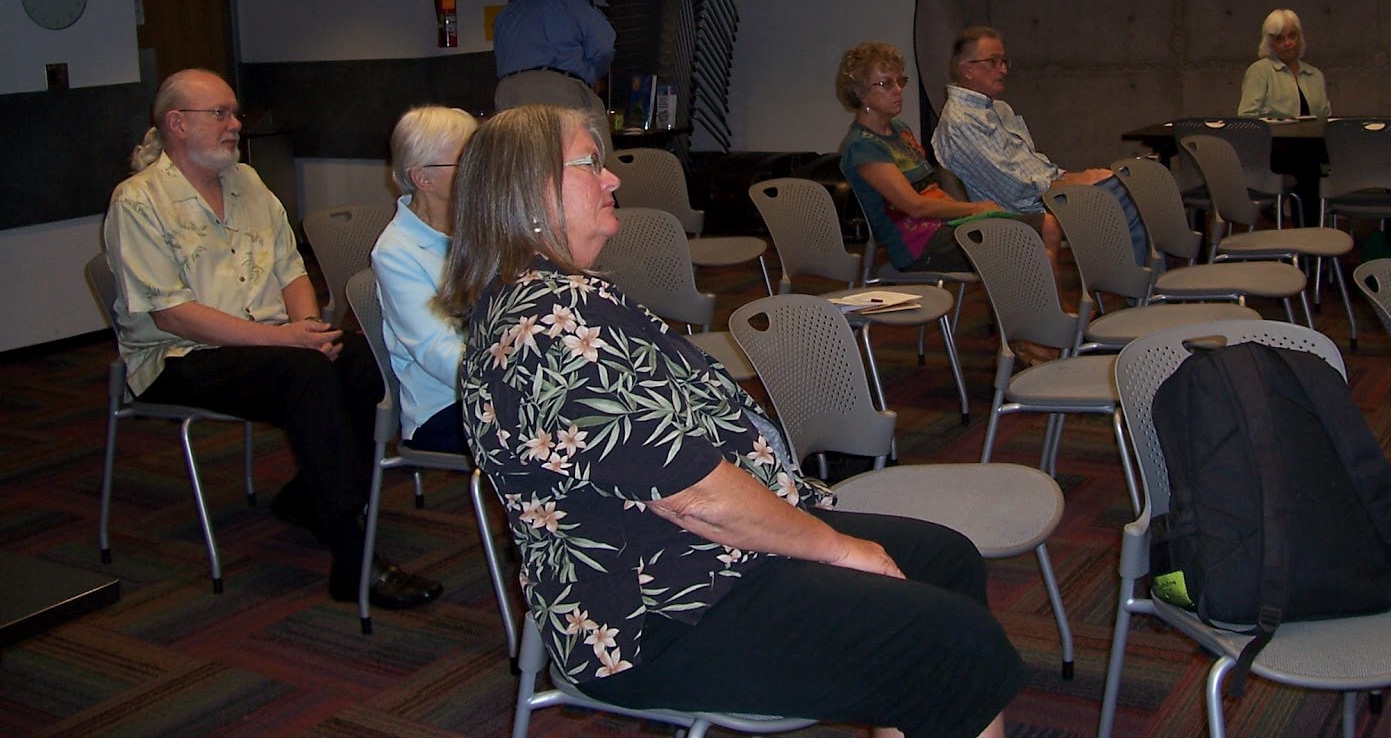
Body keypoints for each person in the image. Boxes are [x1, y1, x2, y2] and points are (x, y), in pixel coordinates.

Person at [440, 105, 1023, 738]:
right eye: (589, 164)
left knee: (946, 560)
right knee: (954, 647)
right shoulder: (546, 330)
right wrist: (839, 549)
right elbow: (693, 498)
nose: (612, 179)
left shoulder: (559, 295)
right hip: (654, 615)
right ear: (526, 193)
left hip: (706, 557)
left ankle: (915, 701)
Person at [102, 69, 441, 609]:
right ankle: (352, 557)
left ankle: (313, 496)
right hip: (180, 356)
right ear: (176, 124)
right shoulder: (139, 201)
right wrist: (284, 341)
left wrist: (307, 330)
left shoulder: (249, 183)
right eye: (220, 114)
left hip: (267, 344)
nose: (235, 124)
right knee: (304, 373)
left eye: (234, 113)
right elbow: (173, 315)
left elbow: (291, 270)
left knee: (360, 358)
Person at [932, 26, 1149, 268]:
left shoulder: (995, 109)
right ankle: (1139, 290)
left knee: (1133, 183)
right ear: (968, 70)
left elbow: (1032, 166)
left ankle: (1140, 284)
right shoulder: (960, 120)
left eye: (1004, 61)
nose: (1003, 69)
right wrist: (1073, 182)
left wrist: (1074, 177)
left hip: (1044, 194)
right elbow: (1014, 189)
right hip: (1024, 209)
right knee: (1120, 195)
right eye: (993, 62)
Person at [836, 42, 1009, 273]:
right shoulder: (862, 146)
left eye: (900, 81)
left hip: (944, 230)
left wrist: (970, 214)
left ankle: (1042, 309)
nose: (898, 90)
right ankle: (1034, 309)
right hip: (918, 247)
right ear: (861, 93)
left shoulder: (900, 130)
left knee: (1039, 229)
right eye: (886, 84)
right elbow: (914, 206)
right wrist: (973, 209)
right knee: (1017, 245)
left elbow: (931, 190)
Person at [370, 105, 478, 453]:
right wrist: (514, 381)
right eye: (466, 161)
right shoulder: (395, 253)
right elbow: (439, 354)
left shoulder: (475, 228)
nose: (480, 170)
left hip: (487, 383)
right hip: (444, 404)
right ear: (423, 178)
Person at [493, 0, 615, 128]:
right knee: (584, 145)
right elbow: (604, 45)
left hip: (510, 92)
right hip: (556, 90)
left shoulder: (509, 11)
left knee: (522, 152)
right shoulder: (571, 2)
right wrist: (593, 74)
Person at [1237, 8, 1331, 119]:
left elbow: (1326, 119)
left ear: (1300, 37)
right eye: (1279, 39)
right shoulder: (1260, 71)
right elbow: (1247, 118)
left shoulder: (1315, 75)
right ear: (1269, 43)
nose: (1287, 43)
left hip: (1314, 136)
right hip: (1272, 136)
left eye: (1292, 36)